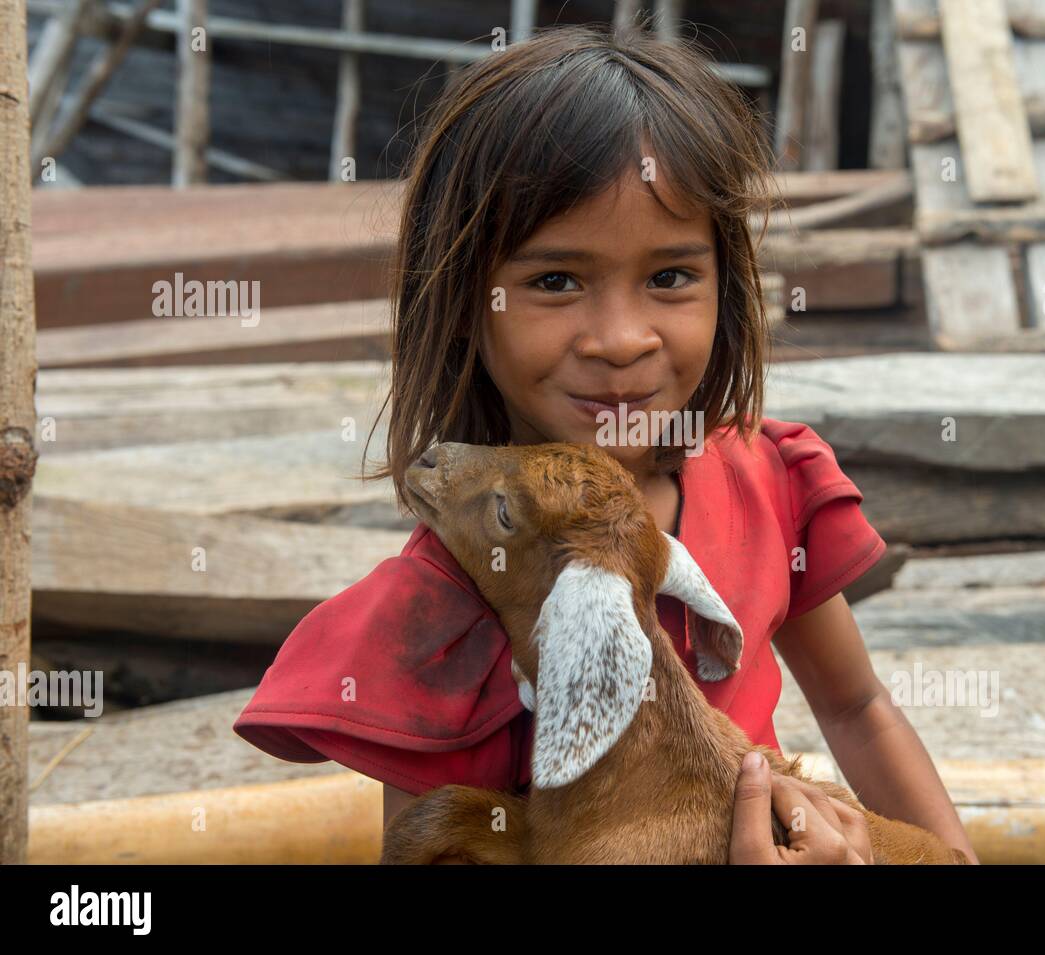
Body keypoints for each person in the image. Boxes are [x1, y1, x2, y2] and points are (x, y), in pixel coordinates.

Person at [233, 22, 977, 865]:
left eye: (669, 277)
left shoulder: (766, 481)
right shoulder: (445, 606)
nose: (621, 339)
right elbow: (435, 844)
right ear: (463, 298)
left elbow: (858, 707)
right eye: (554, 281)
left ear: (726, 284)